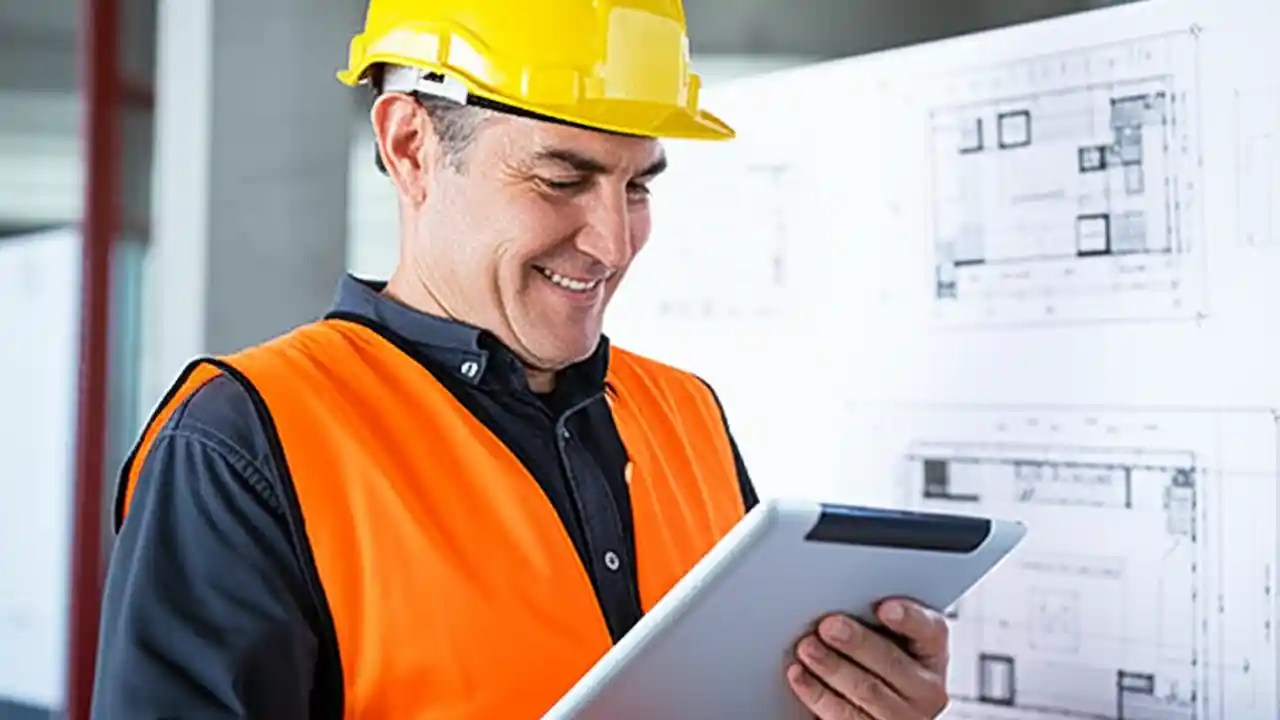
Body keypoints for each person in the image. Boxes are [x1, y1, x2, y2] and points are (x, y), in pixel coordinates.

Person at [91, 1, 952, 718]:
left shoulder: (684, 413)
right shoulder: (244, 441)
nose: (613, 242)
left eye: (638, 185)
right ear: (410, 146)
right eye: (562, 179)